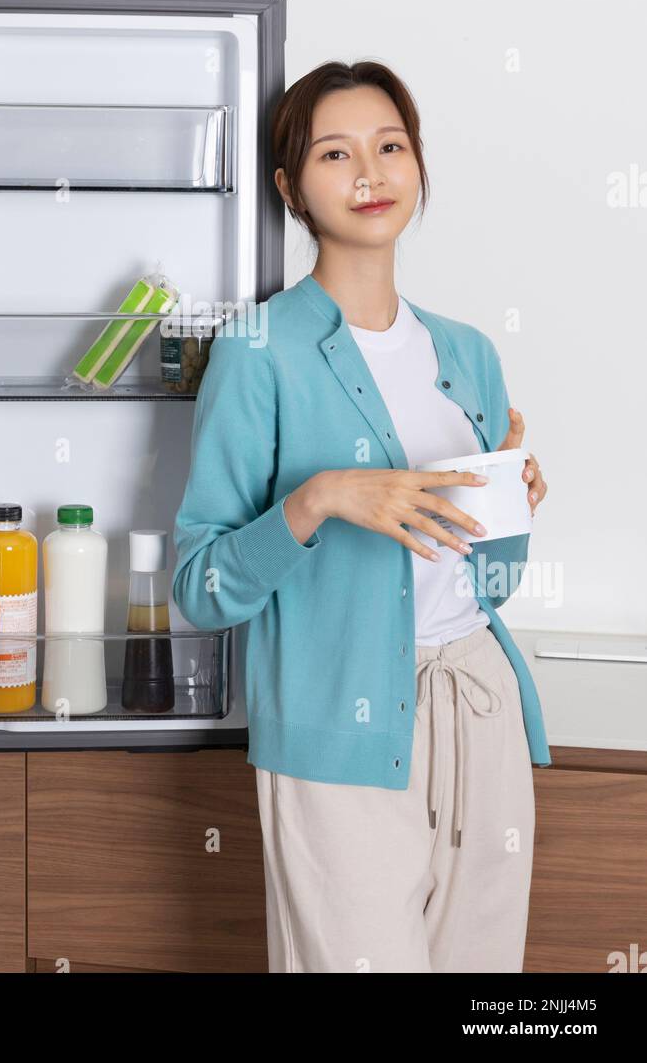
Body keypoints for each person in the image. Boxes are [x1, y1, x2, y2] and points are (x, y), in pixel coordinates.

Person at [172, 59, 550, 973]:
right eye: (337, 154)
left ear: (418, 164)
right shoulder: (256, 352)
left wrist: (515, 510)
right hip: (336, 723)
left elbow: (489, 580)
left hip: (479, 706)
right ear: (291, 186)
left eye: (390, 147)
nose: (370, 175)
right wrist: (319, 499)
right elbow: (200, 585)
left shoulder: (468, 351)